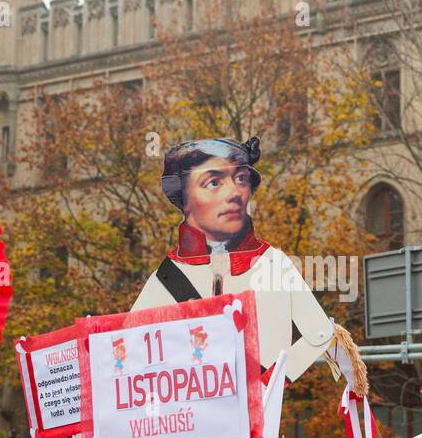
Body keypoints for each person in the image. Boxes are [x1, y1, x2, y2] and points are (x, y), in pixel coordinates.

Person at [130, 138, 333, 383]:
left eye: (240, 179)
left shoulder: (273, 264)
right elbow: (129, 352)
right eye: (214, 182)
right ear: (185, 199)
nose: (234, 193)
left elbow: (320, 333)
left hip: (259, 418)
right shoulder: (167, 276)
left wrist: (270, 383)